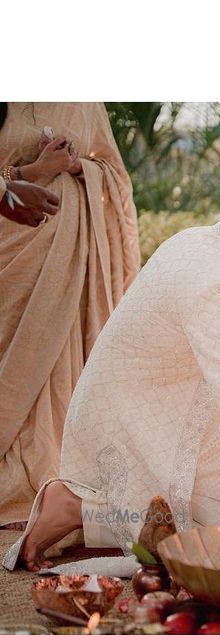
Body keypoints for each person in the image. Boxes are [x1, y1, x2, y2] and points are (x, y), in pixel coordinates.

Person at [4, 158, 220, 571]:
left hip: (131, 400)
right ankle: (74, 506)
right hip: (127, 419)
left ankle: (185, 499)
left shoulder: (199, 242)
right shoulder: (218, 281)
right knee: (193, 550)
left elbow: (176, 347)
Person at [0, 103, 140, 528]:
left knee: (57, 364)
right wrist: (29, 172)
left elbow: (113, 172)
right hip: (10, 253)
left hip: (68, 256)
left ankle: (53, 477)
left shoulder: (84, 99)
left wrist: (77, 167)